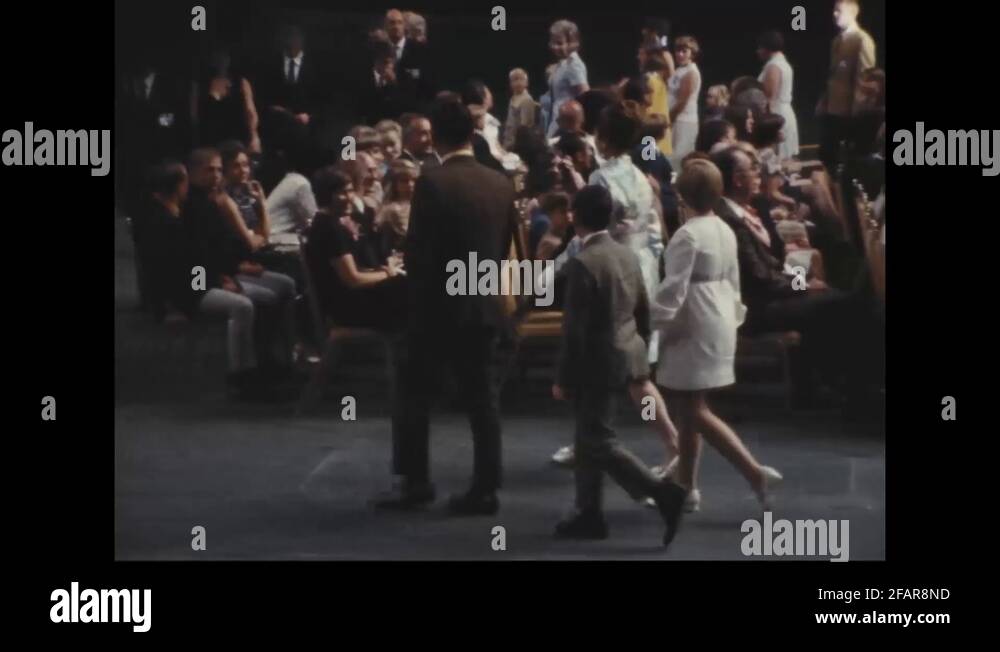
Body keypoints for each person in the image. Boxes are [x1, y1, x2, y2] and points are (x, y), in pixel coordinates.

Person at [374, 97, 518, 514]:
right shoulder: (501, 183)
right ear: (473, 135)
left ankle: (416, 482)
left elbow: (421, 255)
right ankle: (486, 488)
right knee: (483, 399)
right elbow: (505, 248)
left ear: (435, 136)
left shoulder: (432, 183)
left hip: (439, 308)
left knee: (414, 395)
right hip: (484, 300)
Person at [549, 101, 679, 479]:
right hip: (636, 272)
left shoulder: (602, 180)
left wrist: (549, 273)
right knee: (611, 366)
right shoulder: (640, 177)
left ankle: (671, 442)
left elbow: (590, 235)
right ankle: (587, 436)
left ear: (602, 138)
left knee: (631, 374)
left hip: (609, 276)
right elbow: (652, 233)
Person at [551, 184, 686, 543]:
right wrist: (635, 347)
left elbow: (574, 332)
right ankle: (588, 513)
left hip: (595, 363)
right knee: (587, 438)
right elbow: (642, 308)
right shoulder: (626, 255)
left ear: (574, 217)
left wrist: (563, 377)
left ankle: (662, 492)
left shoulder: (583, 264)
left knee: (597, 441)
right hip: (626, 354)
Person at [652, 159, 782, 512]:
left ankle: (752, 472)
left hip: (694, 323)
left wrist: (649, 320)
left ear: (683, 195)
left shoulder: (687, 234)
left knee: (692, 411)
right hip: (720, 317)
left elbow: (673, 290)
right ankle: (686, 488)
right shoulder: (723, 227)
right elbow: (733, 280)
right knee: (689, 408)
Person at [711, 146, 858, 407]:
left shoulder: (743, 210)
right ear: (737, 178)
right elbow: (759, 277)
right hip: (753, 305)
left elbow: (772, 265)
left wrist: (802, 282)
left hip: (766, 294)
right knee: (841, 303)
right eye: (753, 170)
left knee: (832, 297)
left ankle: (823, 382)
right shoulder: (730, 219)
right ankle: (838, 385)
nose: (759, 175)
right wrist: (803, 285)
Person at [183, 149, 296, 385]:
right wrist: (225, 276)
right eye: (209, 170)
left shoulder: (216, 199)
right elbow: (196, 255)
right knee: (252, 301)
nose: (215, 175)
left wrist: (238, 265)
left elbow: (228, 245)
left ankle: (281, 357)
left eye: (218, 170)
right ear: (192, 173)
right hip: (200, 281)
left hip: (229, 269)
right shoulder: (193, 205)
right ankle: (244, 372)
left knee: (286, 284)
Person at [305, 167, 406, 331]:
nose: (350, 198)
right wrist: (389, 273)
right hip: (347, 306)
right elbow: (353, 279)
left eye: (350, 191)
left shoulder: (332, 222)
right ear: (326, 195)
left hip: (353, 297)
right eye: (343, 193)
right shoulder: (329, 228)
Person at [817, 0, 877, 168]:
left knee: (847, 159)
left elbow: (864, 79)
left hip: (849, 112)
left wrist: (857, 111)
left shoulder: (862, 39)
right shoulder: (837, 41)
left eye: (839, 11)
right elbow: (834, 75)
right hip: (833, 109)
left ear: (852, 13)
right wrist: (825, 101)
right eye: (834, 11)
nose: (835, 14)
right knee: (827, 155)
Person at [192, 49, 261, 153]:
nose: (221, 61)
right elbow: (194, 116)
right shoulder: (200, 85)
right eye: (217, 57)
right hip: (209, 140)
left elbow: (250, 112)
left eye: (224, 57)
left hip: (238, 139)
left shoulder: (240, 83)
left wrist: (254, 136)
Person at [757, 30, 800, 161]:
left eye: (760, 47)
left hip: (777, 115)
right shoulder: (782, 63)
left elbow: (770, 97)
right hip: (783, 113)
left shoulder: (774, 66)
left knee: (777, 159)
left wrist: (768, 125)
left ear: (767, 48)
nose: (758, 51)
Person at [543, 20, 590, 138]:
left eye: (559, 43)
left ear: (572, 43)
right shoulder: (564, 63)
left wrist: (574, 126)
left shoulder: (574, 65)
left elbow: (586, 96)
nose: (554, 47)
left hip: (565, 128)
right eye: (553, 42)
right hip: (556, 123)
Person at [265, 144, 318, 244]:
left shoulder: (291, 180)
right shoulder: (300, 183)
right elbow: (315, 222)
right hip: (273, 237)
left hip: (272, 235)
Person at [668, 36, 702, 166]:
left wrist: (668, 119)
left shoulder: (691, 72)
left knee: (678, 158)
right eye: (678, 51)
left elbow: (682, 102)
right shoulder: (680, 69)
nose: (680, 54)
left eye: (684, 51)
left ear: (692, 53)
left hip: (684, 121)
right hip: (675, 119)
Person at [375, 158, 420, 255]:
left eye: (414, 180)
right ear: (394, 183)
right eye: (404, 181)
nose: (410, 185)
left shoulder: (423, 205)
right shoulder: (391, 210)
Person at [503, 68, 539, 151]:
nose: (518, 82)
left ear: (526, 83)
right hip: (508, 140)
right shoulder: (513, 98)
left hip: (517, 144)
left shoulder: (527, 99)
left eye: (521, 79)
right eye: (515, 80)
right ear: (510, 83)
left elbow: (525, 126)